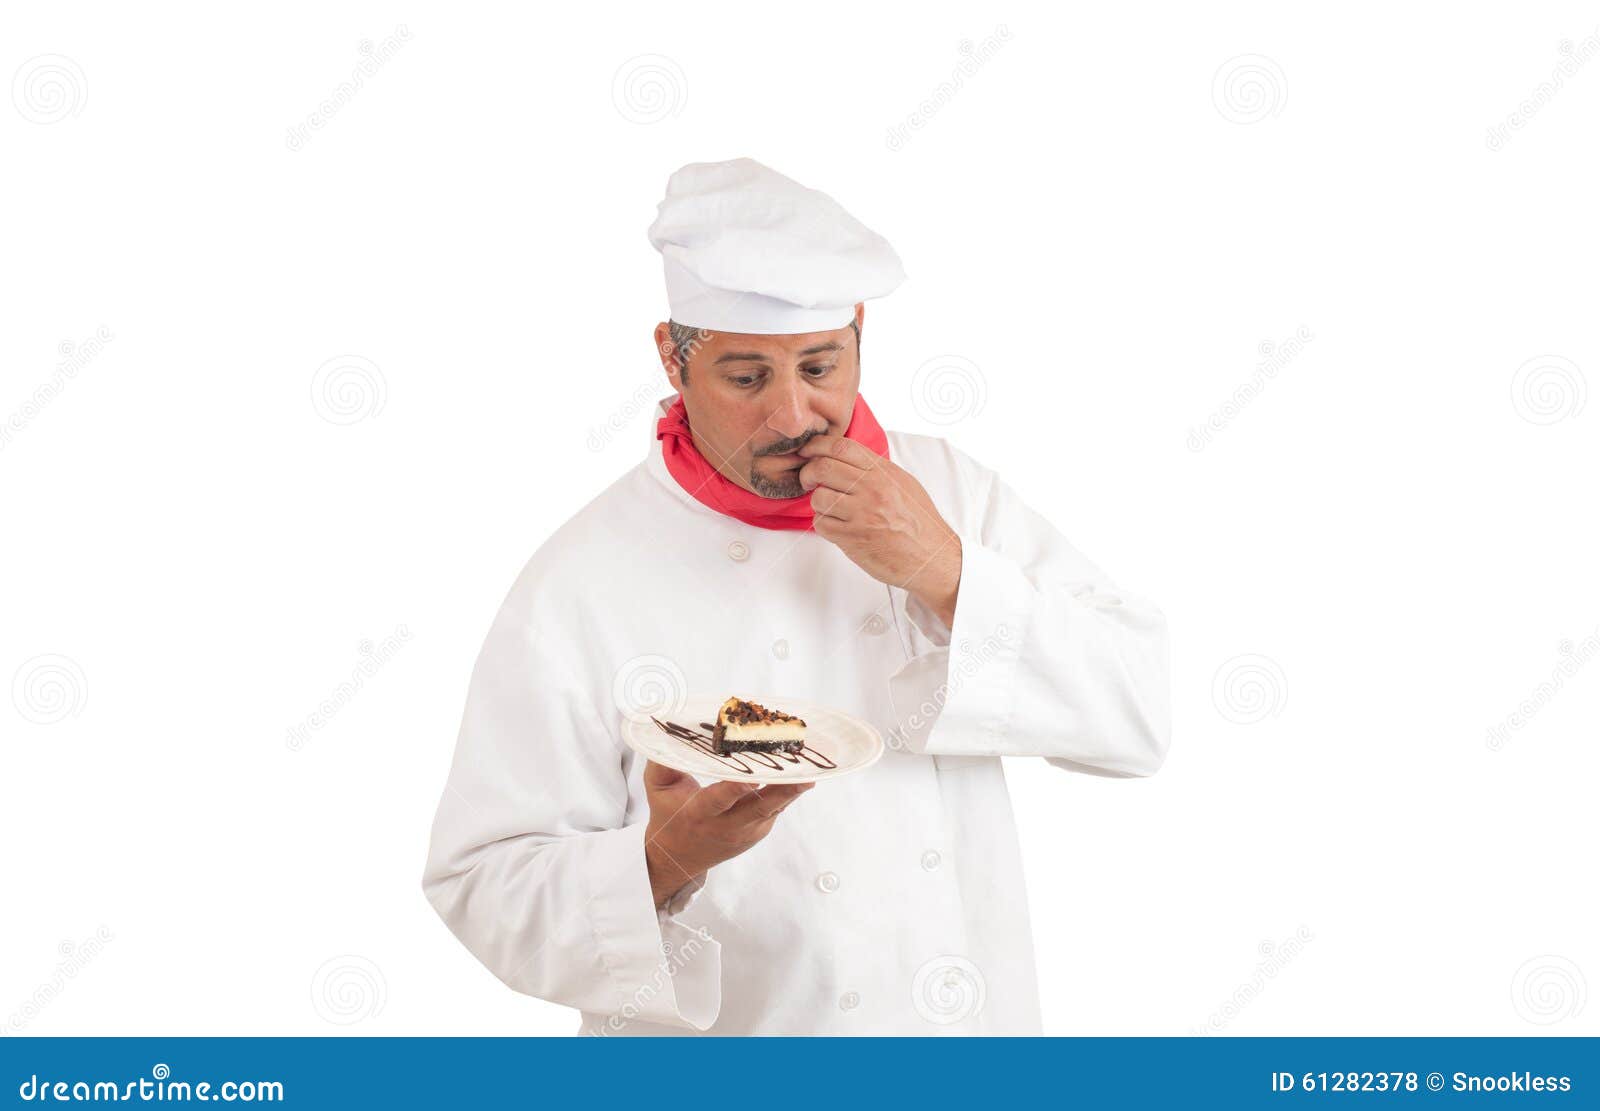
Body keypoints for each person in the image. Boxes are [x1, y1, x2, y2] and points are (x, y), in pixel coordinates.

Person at [421, 157, 1170, 1035]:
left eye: (820, 365)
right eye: (745, 378)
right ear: (672, 354)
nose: (792, 415)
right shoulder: (581, 577)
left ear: (858, 331)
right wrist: (662, 861)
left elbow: (1142, 715)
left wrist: (945, 571)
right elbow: (477, 883)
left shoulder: (952, 495)